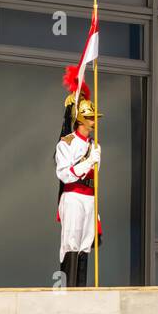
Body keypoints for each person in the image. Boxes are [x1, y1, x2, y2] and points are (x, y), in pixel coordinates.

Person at [55, 67, 101, 287]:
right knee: (71, 243)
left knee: (85, 243)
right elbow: (64, 173)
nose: (94, 121)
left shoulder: (94, 145)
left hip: (90, 196)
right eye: (90, 117)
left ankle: (81, 289)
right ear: (80, 119)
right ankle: (68, 290)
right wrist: (88, 162)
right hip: (73, 195)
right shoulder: (68, 143)